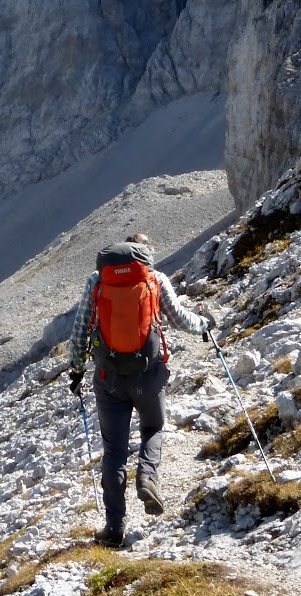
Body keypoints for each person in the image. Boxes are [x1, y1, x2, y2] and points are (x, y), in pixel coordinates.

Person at [67, 232, 213, 548]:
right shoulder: (154, 278)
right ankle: (147, 477)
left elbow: (80, 330)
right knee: (153, 428)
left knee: (115, 450)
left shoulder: (97, 281)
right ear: (145, 253)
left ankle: (113, 529)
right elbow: (178, 319)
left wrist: (77, 370)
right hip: (149, 373)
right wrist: (205, 323)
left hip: (109, 378)